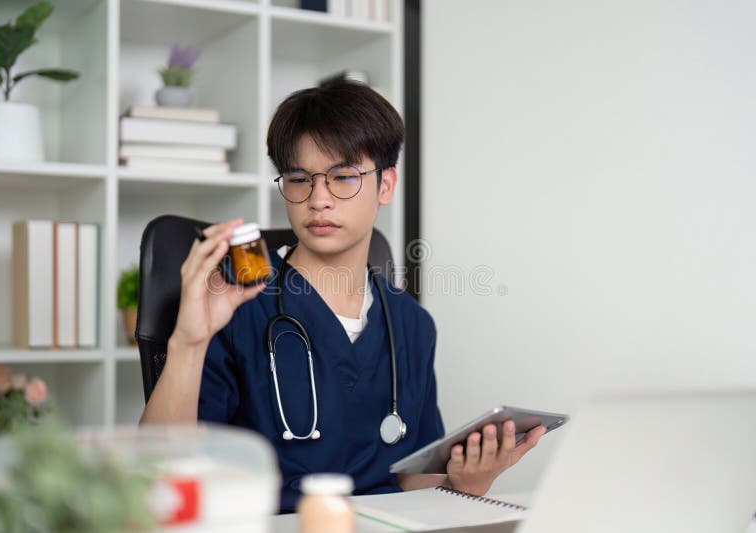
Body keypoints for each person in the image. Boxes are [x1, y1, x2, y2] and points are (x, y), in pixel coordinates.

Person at [141, 79, 545, 512]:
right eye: (299, 179)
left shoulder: (411, 323)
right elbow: (158, 473)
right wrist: (189, 342)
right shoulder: (233, 302)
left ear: (385, 185)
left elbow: (413, 473)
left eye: (343, 177)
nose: (318, 200)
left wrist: (465, 481)